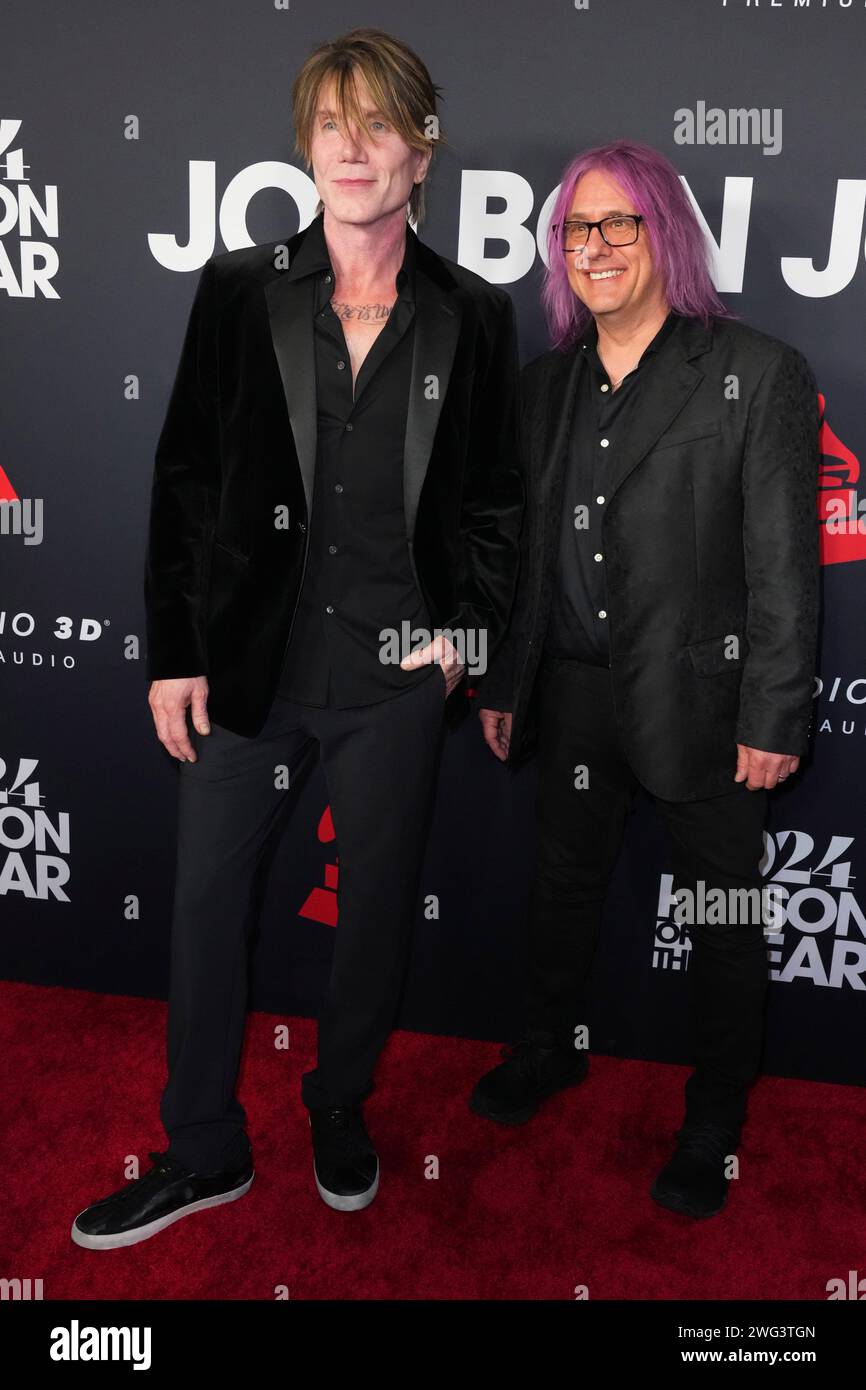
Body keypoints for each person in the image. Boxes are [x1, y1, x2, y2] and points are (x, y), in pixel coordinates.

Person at [71, 27, 522, 1247]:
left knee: (373, 912)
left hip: (391, 685)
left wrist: (462, 644)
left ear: (421, 153)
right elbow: (184, 484)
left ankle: (338, 1104)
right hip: (246, 669)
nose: (353, 150)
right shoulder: (236, 291)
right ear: (305, 147)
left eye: (378, 126)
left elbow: (491, 506)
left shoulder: (472, 317)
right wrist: (172, 648)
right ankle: (202, 1148)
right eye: (332, 127)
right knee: (207, 909)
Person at [472, 139, 820, 1220]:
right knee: (560, 890)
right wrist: (501, 681)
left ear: (663, 234)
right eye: (579, 227)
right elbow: (522, 557)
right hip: (573, 690)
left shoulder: (752, 371)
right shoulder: (542, 390)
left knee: (720, 915)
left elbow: (780, 560)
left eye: (621, 223)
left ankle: (712, 1116)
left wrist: (771, 708)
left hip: (707, 705)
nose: (598, 245)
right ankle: (547, 1049)